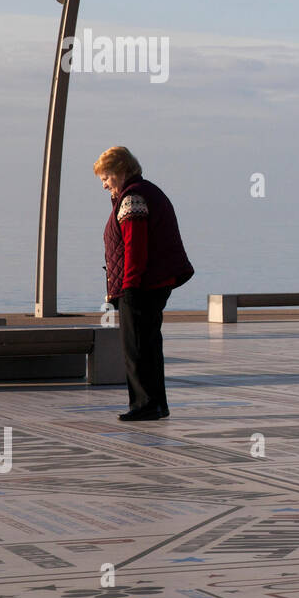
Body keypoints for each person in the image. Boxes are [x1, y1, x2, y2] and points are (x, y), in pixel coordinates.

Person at [95, 147, 194, 420]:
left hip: (140, 286)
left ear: (120, 171)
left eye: (106, 177)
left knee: (136, 346)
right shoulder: (141, 193)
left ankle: (144, 404)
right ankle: (156, 403)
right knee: (148, 344)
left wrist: (129, 286)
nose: (104, 185)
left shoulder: (132, 199)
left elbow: (135, 248)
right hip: (151, 283)